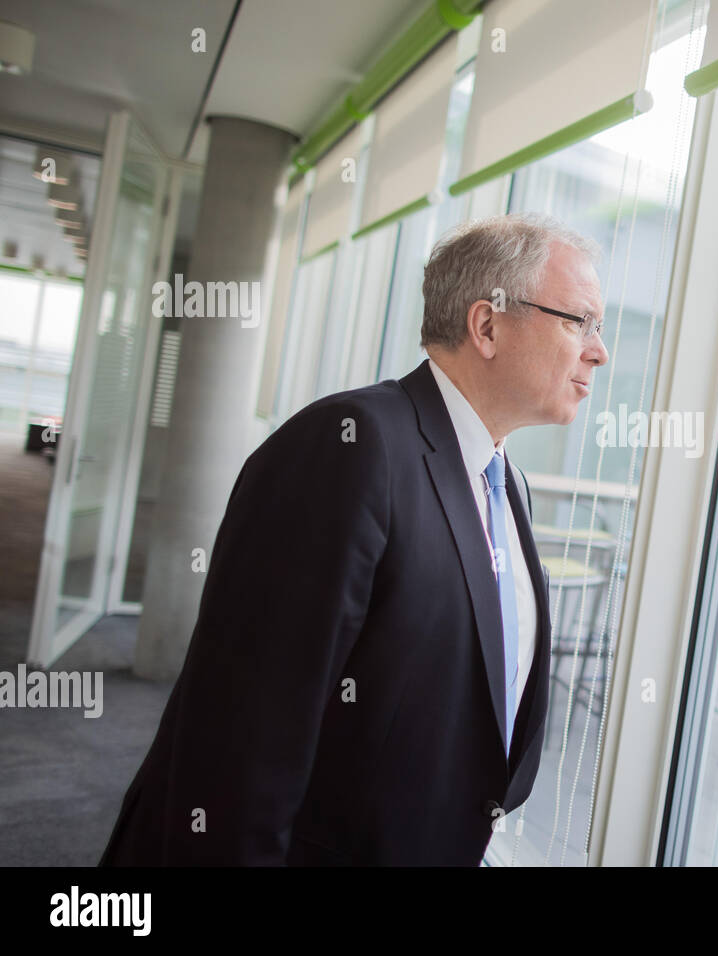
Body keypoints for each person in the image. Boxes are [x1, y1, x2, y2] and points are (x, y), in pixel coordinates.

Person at [99, 212, 609, 865]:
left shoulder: (506, 482)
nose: (598, 351)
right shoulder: (350, 446)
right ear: (487, 326)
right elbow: (244, 733)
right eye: (580, 321)